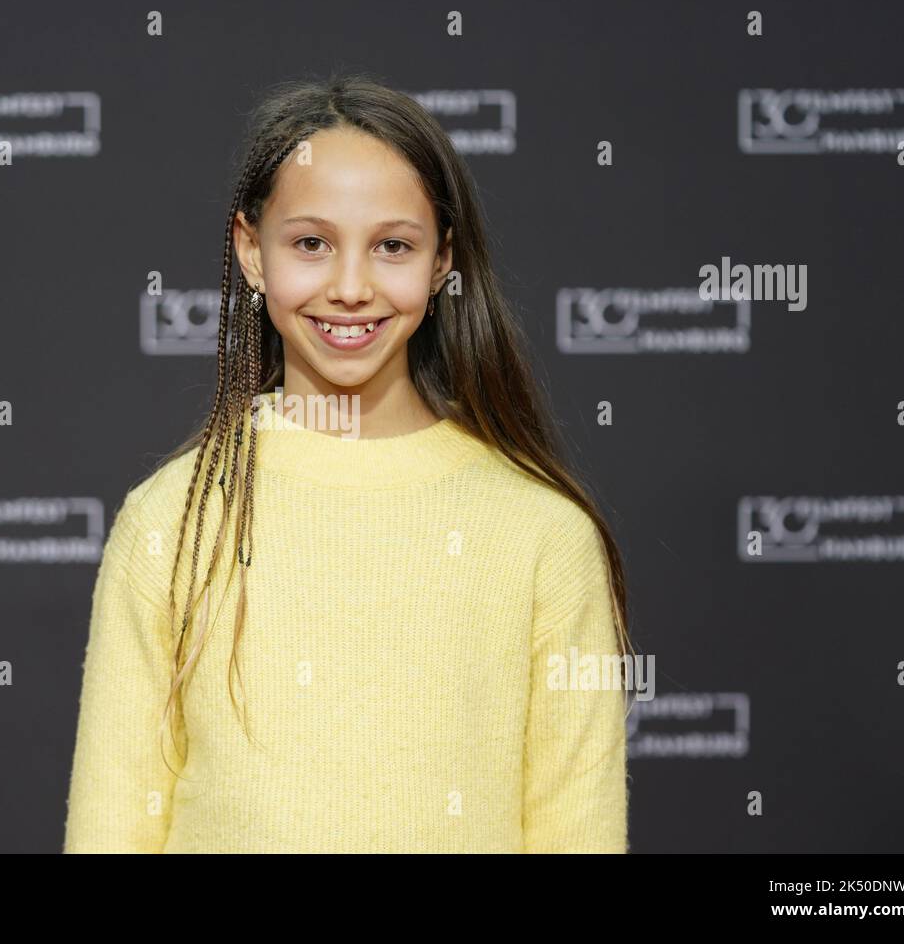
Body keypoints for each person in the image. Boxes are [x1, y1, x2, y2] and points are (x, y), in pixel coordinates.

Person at [64, 72, 634, 853]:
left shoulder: (543, 537)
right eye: (311, 244)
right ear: (250, 252)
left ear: (442, 265)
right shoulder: (168, 522)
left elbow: (578, 832)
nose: (352, 288)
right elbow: (112, 829)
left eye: (393, 246)